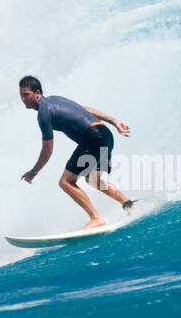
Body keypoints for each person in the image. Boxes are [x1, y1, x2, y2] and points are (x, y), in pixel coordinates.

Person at [18, 75, 135, 229]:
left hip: (93, 137)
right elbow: (85, 109)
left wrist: (34, 172)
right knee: (94, 180)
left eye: (26, 94)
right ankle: (129, 206)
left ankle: (96, 218)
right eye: (21, 95)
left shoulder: (43, 113)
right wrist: (114, 121)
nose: (23, 99)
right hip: (106, 134)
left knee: (66, 182)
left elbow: (48, 148)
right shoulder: (55, 99)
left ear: (37, 93)